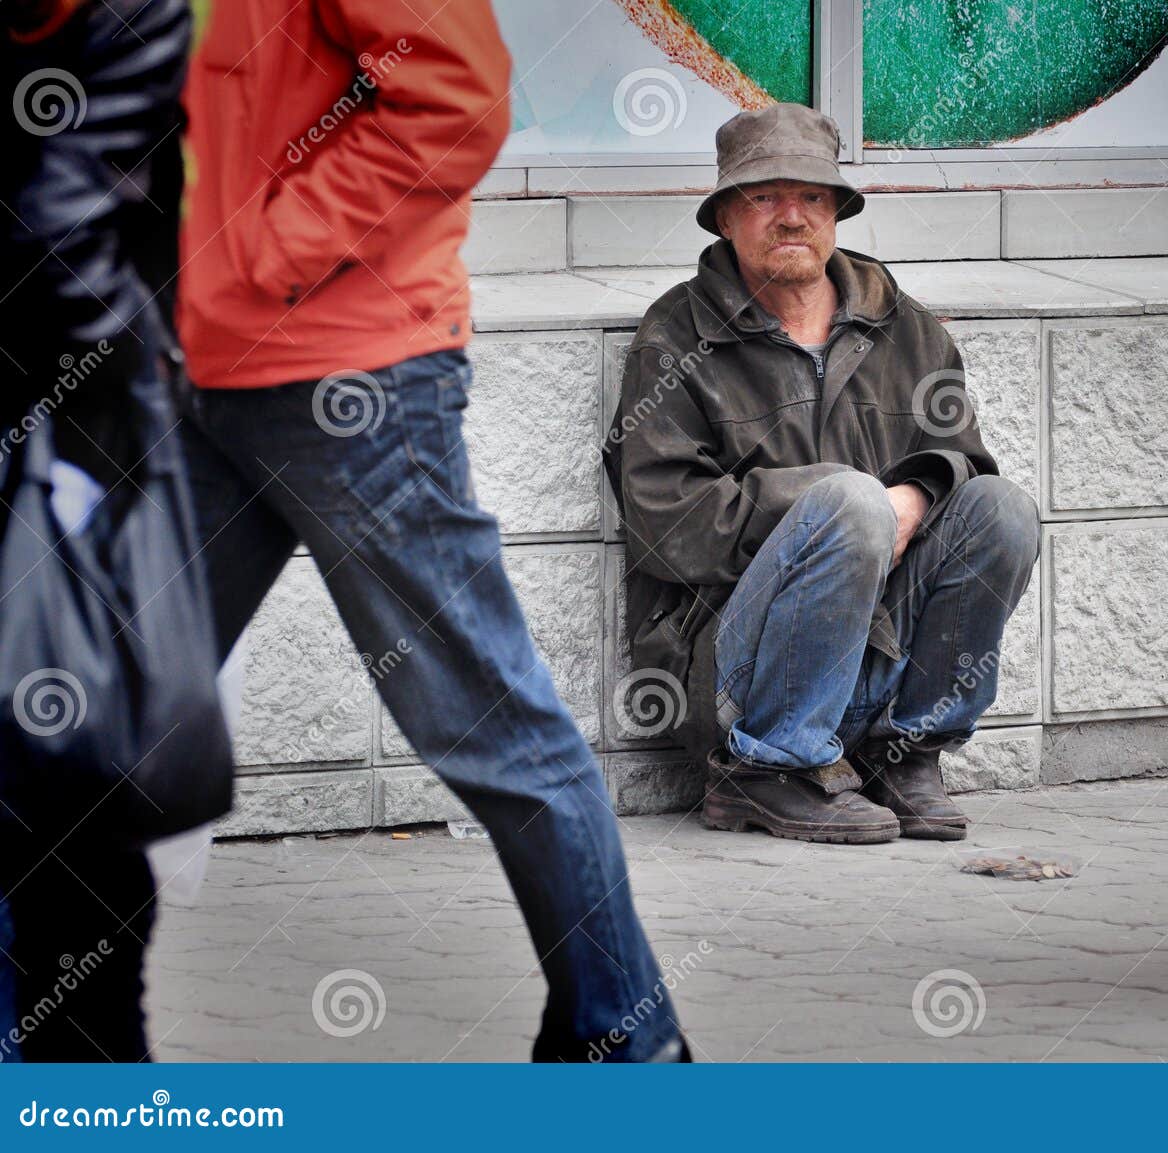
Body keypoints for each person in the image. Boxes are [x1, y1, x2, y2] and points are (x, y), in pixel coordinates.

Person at [177, 0, 682, 1061]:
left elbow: (451, 94)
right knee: (70, 722)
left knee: (488, 721)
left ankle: (627, 1051)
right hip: (186, 376)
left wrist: (261, 249)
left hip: (350, 381)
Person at [605, 104, 1038, 846]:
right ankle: (769, 770)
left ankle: (903, 752)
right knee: (847, 501)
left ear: (836, 211)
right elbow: (661, 516)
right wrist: (832, 504)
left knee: (1002, 510)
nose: (790, 216)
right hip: (733, 666)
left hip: (873, 654)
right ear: (725, 219)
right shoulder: (674, 336)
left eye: (810, 196)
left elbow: (963, 457)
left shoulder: (905, 327)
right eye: (763, 197)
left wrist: (915, 494)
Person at [1, 0, 195, 1061]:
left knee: (72, 833)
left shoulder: (128, 21)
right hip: (78, 436)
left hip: (70, 451)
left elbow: (73, 241)